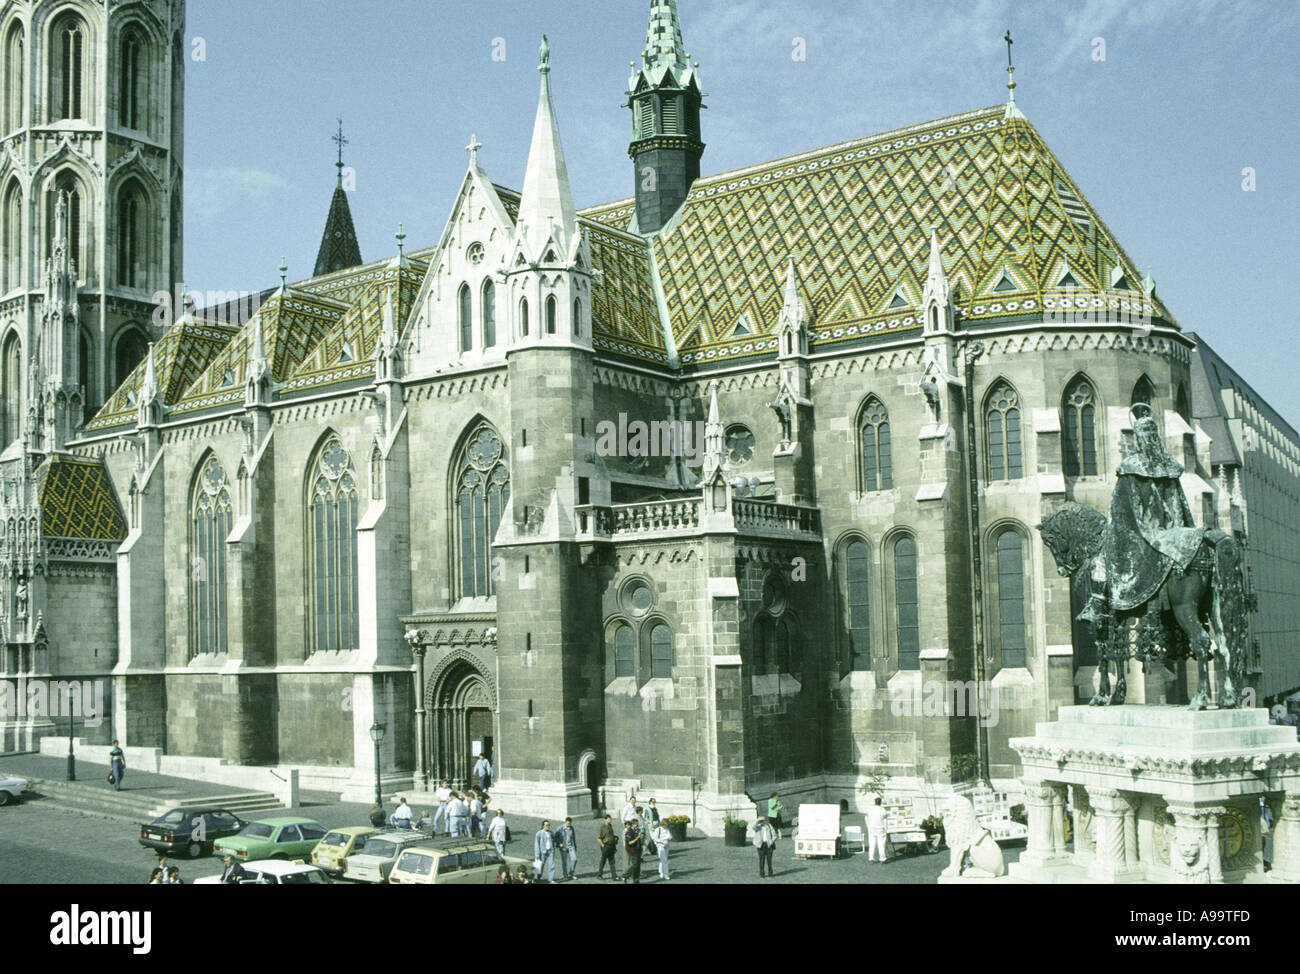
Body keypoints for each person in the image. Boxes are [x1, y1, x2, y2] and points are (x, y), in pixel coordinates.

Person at [866, 797, 889, 862]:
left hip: (872, 828)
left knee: (872, 843)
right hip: (880, 829)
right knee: (881, 844)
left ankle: (871, 858)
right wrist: (886, 829)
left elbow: (866, 818)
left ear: (875, 802)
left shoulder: (869, 809)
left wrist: (868, 826)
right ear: (880, 802)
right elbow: (885, 821)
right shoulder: (883, 810)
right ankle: (882, 858)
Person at [596, 814, 619, 880]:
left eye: (610, 819)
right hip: (606, 846)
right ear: (605, 820)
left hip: (611, 846)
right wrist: (603, 846)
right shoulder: (603, 827)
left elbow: (610, 835)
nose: (610, 820)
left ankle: (614, 876)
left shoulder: (610, 826)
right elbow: (599, 838)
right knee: (603, 861)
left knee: (612, 862)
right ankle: (599, 875)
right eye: (609, 819)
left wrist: (615, 838)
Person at [555, 817, 578, 881]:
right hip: (563, 847)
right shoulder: (560, 828)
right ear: (565, 822)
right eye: (568, 823)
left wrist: (575, 846)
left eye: (570, 823)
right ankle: (565, 875)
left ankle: (571, 872)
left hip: (571, 846)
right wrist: (559, 843)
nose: (569, 824)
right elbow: (555, 836)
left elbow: (573, 837)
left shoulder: (572, 828)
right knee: (564, 862)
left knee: (574, 859)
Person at [622, 819, 644, 884]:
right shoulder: (629, 831)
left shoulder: (636, 830)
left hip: (638, 850)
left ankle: (636, 881)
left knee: (638, 866)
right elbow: (629, 842)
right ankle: (625, 875)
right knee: (635, 864)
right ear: (633, 824)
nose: (637, 826)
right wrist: (637, 838)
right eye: (636, 824)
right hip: (632, 850)